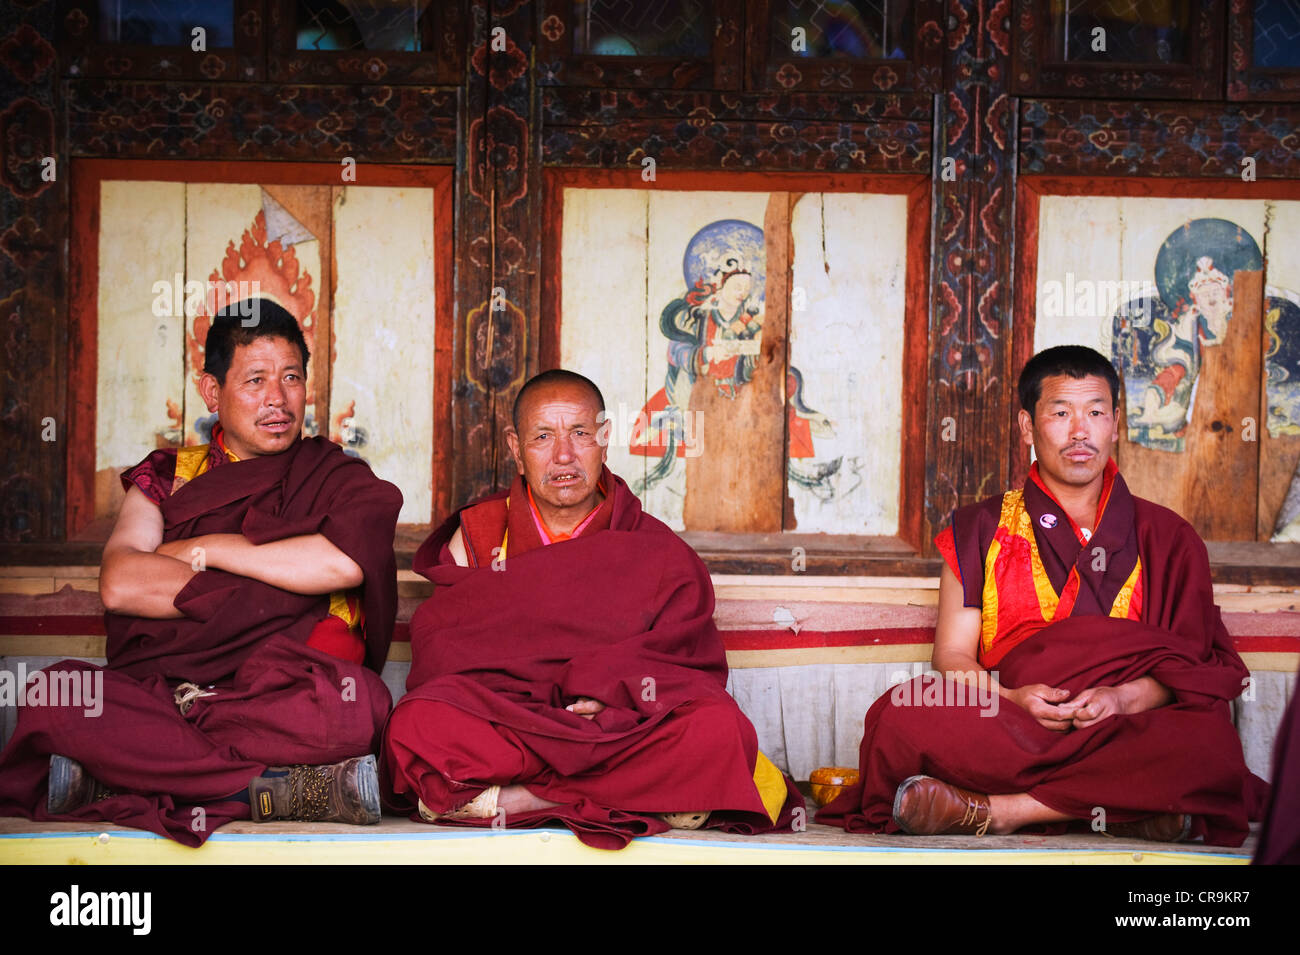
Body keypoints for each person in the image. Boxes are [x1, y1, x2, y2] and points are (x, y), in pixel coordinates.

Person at [817, 345, 1266, 846]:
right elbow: (953, 653)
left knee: (1206, 741)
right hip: (1014, 723)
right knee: (906, 711)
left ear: (1116, 423)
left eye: (1095, 412)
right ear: (1027, 427)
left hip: (1124, 721)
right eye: (1060, 413)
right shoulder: (981, 527)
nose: (1080, 431)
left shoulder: (1168, 537)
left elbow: (1192, 669)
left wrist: (1121, 698)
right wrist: (1012, 698)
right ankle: (1126, 808)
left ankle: (1004, 810)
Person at [0, 299, 402, 846]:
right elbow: (120, 583)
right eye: (255, 380)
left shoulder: (336, 476)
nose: (277, 400)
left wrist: (205, 549)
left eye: (291, 378)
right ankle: (268, 790)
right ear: (212, 392)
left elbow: (341, 562)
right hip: (168, 694)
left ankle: (126, 778)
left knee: (361, 707)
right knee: (58, 694)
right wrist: (282, 581)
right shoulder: (166, 478)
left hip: (276, 697)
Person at [382, 369, 800, 849]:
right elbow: (444, 657)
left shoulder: (652, 548)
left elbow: (688, 664)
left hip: (617, 724)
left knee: (715, 726)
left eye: (580, 434)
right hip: (516, 722)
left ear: (604, 439)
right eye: (543, 437)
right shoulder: (479, 536)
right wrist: (540, 704)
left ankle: (528, 799)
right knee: (417, 723)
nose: (563, 455)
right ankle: (638, 794)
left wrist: (617, 696)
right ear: (516, 449)